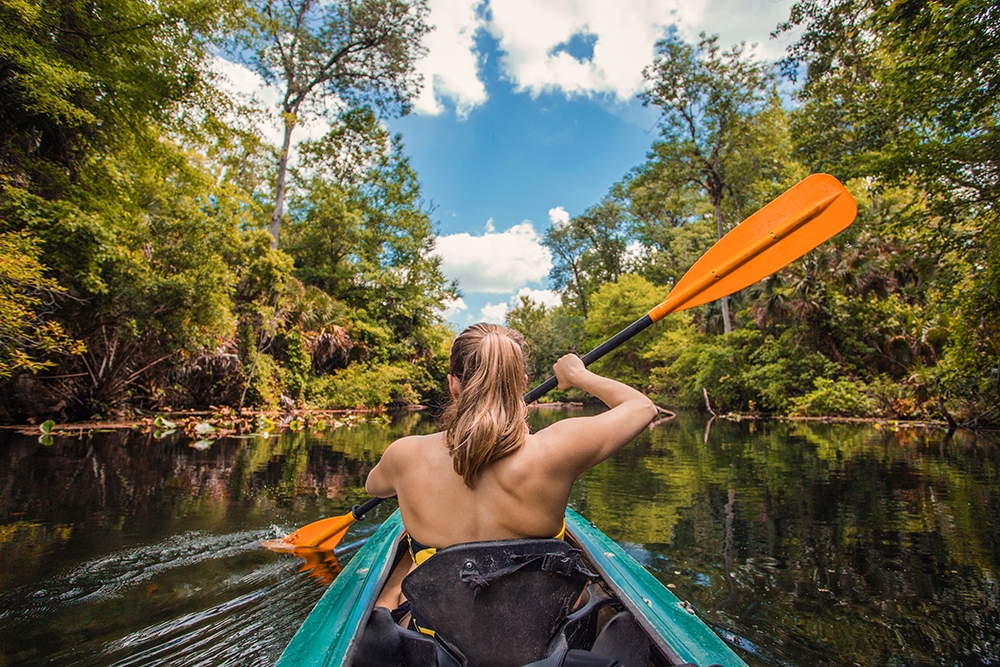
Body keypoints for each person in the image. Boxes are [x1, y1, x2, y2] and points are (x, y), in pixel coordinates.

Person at [365, 322, 656, 621]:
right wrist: (579, 375)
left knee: (410, 576)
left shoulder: (404, 455)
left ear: (453, 384)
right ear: (522, 384)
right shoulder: (557, 451)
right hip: (541, 640)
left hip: (440, 640)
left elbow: (373, 488)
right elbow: (642, 407)